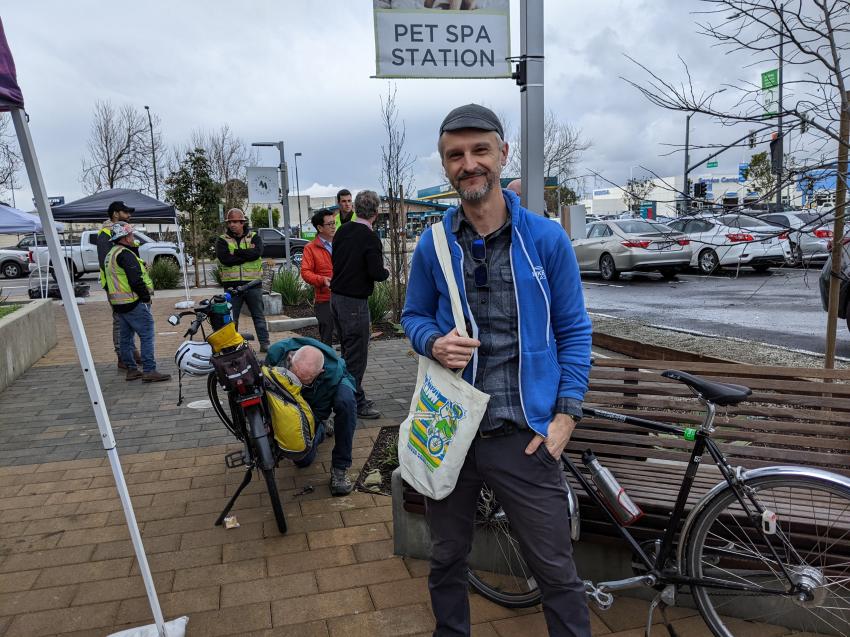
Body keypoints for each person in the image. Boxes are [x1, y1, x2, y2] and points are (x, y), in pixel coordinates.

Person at [401, 104, 593, 637]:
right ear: (445, 167)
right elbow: (411, 316)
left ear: (503, 154)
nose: (469, 164)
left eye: (480, 150)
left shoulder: (546, 240)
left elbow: (575, 333)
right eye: (455, 155)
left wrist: (565, 417)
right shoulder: (433, 244)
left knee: (555, 571)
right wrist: (433, 342)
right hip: (449, 427)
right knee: (445, 560)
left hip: (524, 433)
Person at [265, 337, 358, 496]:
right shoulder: (276, 354)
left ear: (320, 372)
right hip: (304, 389)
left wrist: (302, 434)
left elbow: (315, 415)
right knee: (302, 462)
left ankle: (340, 468)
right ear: (290, 359)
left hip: (324, 394)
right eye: (296, 375)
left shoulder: (331, 374)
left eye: (305, 380)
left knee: (346, 402)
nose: (299, 382)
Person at [330, 189, 389, 420]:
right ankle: (353, 403)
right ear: (375, 213)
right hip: (354, 303)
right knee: (356, 356)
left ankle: (350, 394)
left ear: (354, 208)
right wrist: (385, 272)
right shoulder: (370, 237)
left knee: (347, 352)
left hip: (336, 299)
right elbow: (375, 272)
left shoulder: (343, 231)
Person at [103, 223, 171, 383]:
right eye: (131, 235)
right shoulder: (126, 254)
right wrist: (145, 296)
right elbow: (135, 280)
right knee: (146, 335)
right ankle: (149, 370)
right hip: (133, 302)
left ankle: (132, 370)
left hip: (119, 304)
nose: (133, 237)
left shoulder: (110, 254)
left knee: (126, 338)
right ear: (125, 238)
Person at [215, 208, 270, 353]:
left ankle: (265, 344)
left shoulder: (254, 237)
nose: (232, 225)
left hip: (253, 284)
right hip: (232, 287)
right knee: (232, 319)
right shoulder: (222, 240)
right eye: (230, 222)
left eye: (236, 222)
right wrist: (246, 254)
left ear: (242, 222)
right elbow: (225, 259)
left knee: (258, 316)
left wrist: (236, 253)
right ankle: (233, 346)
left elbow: (256, 253)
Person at [97, 201, 140, 369]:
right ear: (115, 214)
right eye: (125, 212)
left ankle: (131, 352)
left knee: (129, 320)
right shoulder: (105, 233)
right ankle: (122, 356)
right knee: (119, 320)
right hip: (115, 286)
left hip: (127, 283)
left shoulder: (124, 231)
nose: (129, 216)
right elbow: (105, 263)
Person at [301, 210, 336, 346]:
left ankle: (346, 366)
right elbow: (306, 272)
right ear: (320, 228)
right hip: (325, 299)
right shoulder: (310, 248)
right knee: (326, 336)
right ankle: (326, 364)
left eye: (334, 223)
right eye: (329, 224)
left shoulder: (341, 243)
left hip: (344, 297)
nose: (333, 226)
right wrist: (322, 280)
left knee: (346, 335)